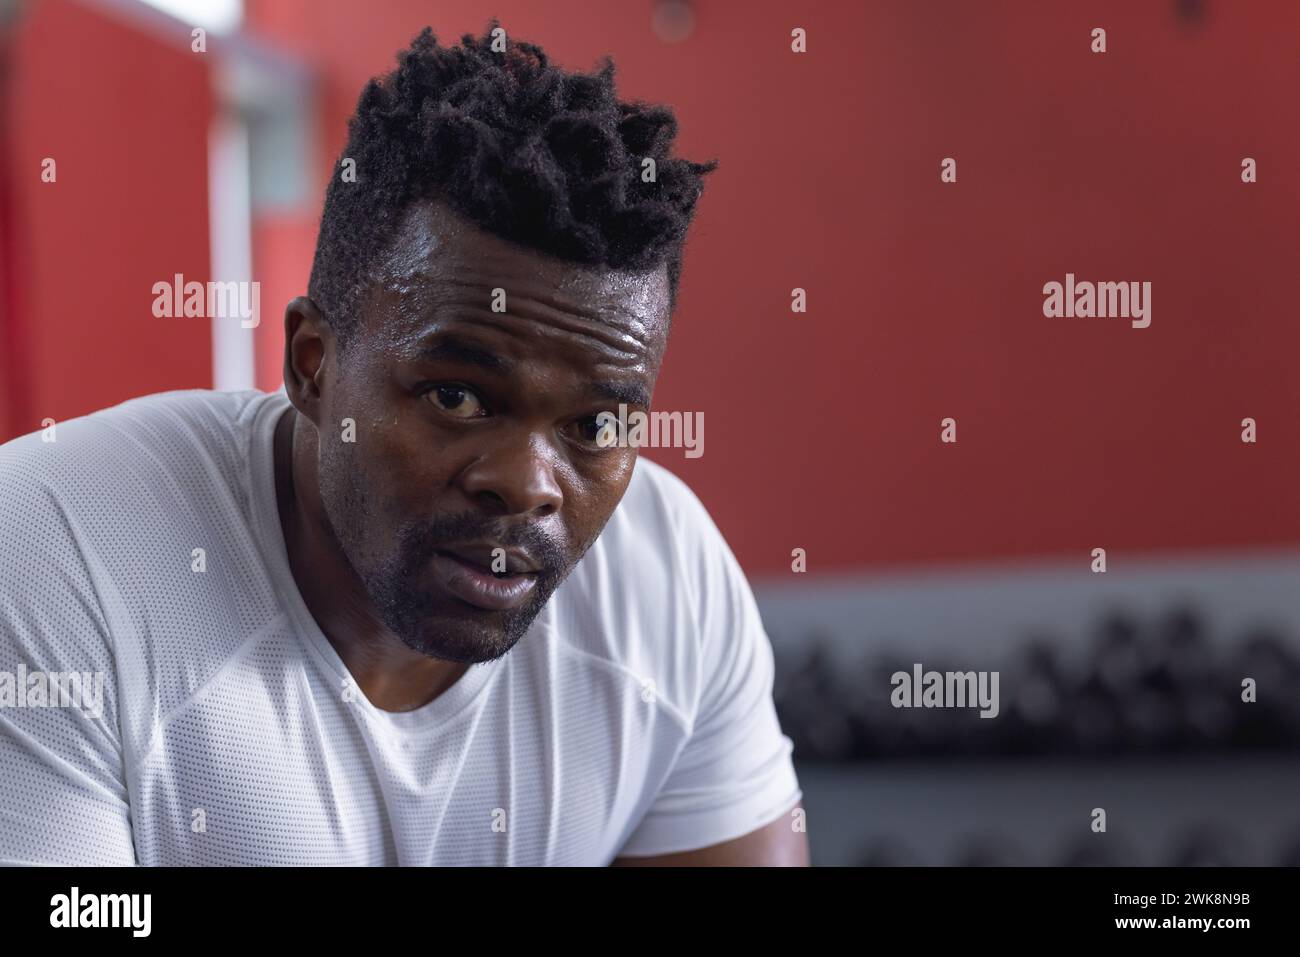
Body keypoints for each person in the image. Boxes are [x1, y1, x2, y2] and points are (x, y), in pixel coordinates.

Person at [0, 24, 806, 866]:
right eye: (457, 396)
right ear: (313, 365)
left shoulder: (668, 584)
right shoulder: (52, 555)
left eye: (595, 426)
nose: (526, 485)